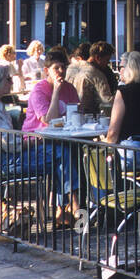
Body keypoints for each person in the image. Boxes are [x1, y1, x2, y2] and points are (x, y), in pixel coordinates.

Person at [23, 47, 82, 228]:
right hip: (35, 142)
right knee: (63, 155)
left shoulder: (70, 88)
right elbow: (49, 120)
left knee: (76, 153)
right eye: (57, 68)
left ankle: (62, 208)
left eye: (63, 67)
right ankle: (73, 205)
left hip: (63, 139)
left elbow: (77, 113)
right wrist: (56, 91)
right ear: (47, 70)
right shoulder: (39, 90)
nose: (61, 71)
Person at [67, 46, 115, 116]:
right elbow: (107, 100)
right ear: (98, 58)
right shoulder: (97, 74)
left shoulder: (70, 67)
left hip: (68, 112)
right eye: (107, 60)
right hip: (87, 116)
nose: (107, 63)